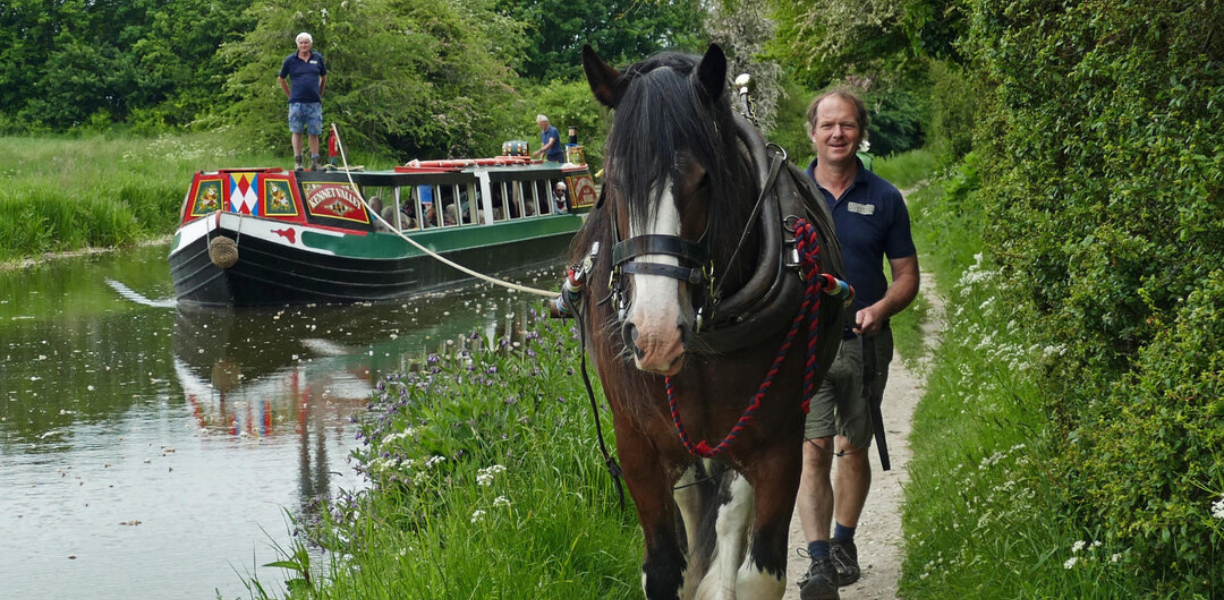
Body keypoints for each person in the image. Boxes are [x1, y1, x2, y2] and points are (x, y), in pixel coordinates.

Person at [796, 89, 919, 600]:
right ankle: (819, 561)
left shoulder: (885, 197)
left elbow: (907, 275)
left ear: (858, 131)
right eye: (828, 126)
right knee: (814, 449)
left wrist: (881, 309)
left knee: (852, 447)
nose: (837, 134)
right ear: (812, 133)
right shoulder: (791, 194)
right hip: (804, 348)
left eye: (846, 125)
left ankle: (844, 542)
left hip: (864, 344)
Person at [278, 32, 328, 171]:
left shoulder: (317, 58)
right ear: (297, 45)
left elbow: (324, 77)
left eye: (306, 42)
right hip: (296, 103)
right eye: (301, 43)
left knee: (314, 132)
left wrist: (320, 93)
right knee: (297, 130)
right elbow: (281, 78)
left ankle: (315, 162)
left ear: (310, 44)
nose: (304, 45)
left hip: (314, 102)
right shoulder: (290, 60)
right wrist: (289, 95)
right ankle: (298, 162)